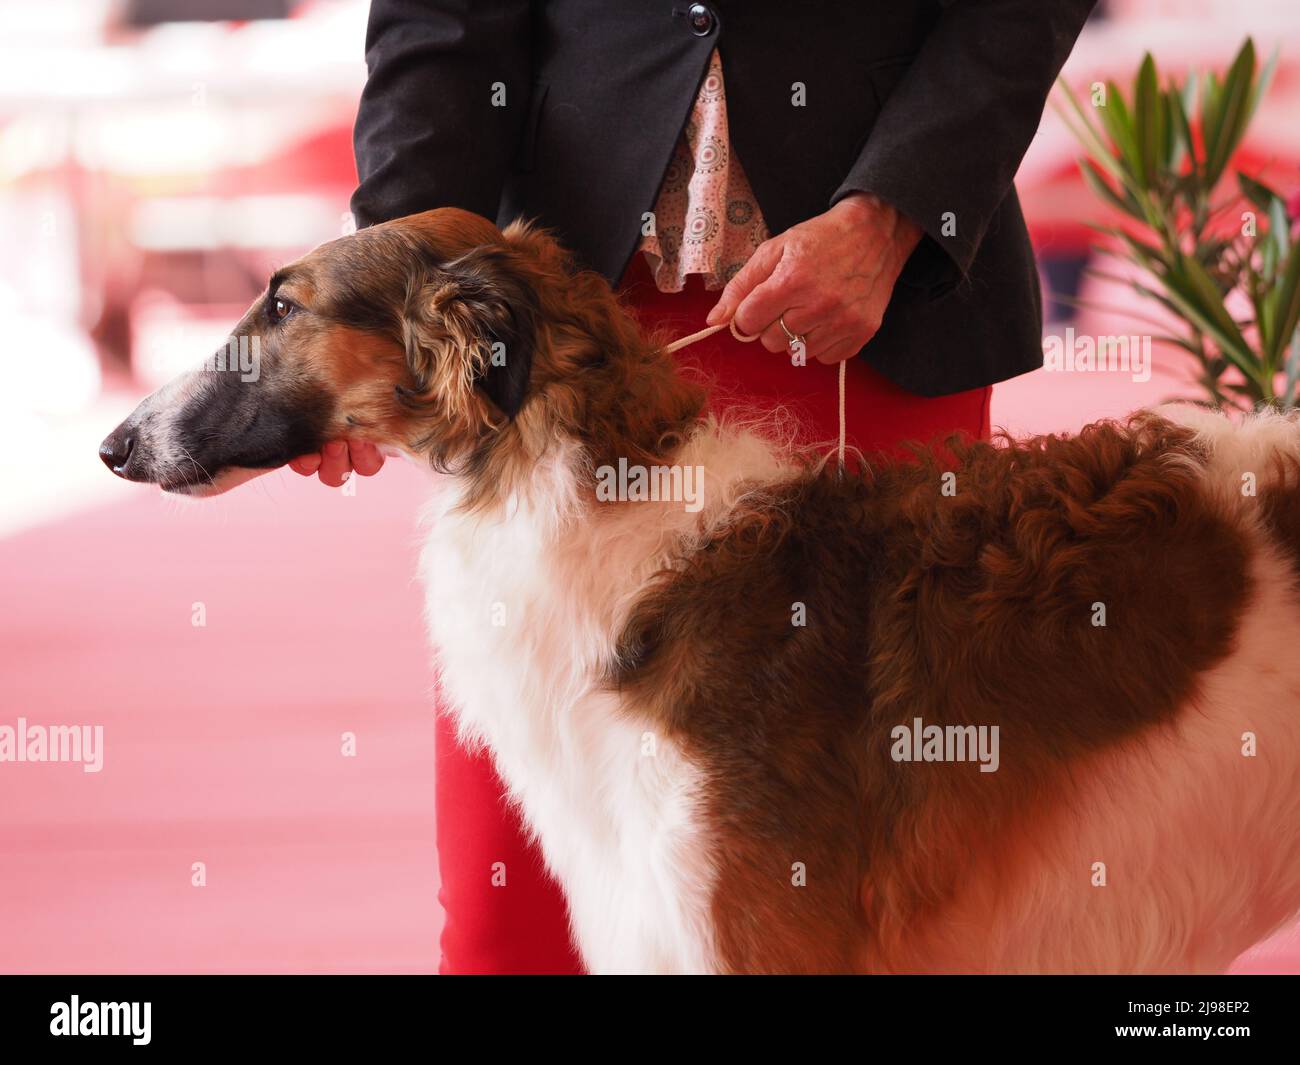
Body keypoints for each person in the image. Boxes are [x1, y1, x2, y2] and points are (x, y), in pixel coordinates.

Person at [290, 0, 1098, 973]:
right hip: (564, 340)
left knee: (875, 898)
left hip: (864, 311)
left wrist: (893, 215)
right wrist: (379, 308)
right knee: (514, 924)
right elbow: (441, 28)